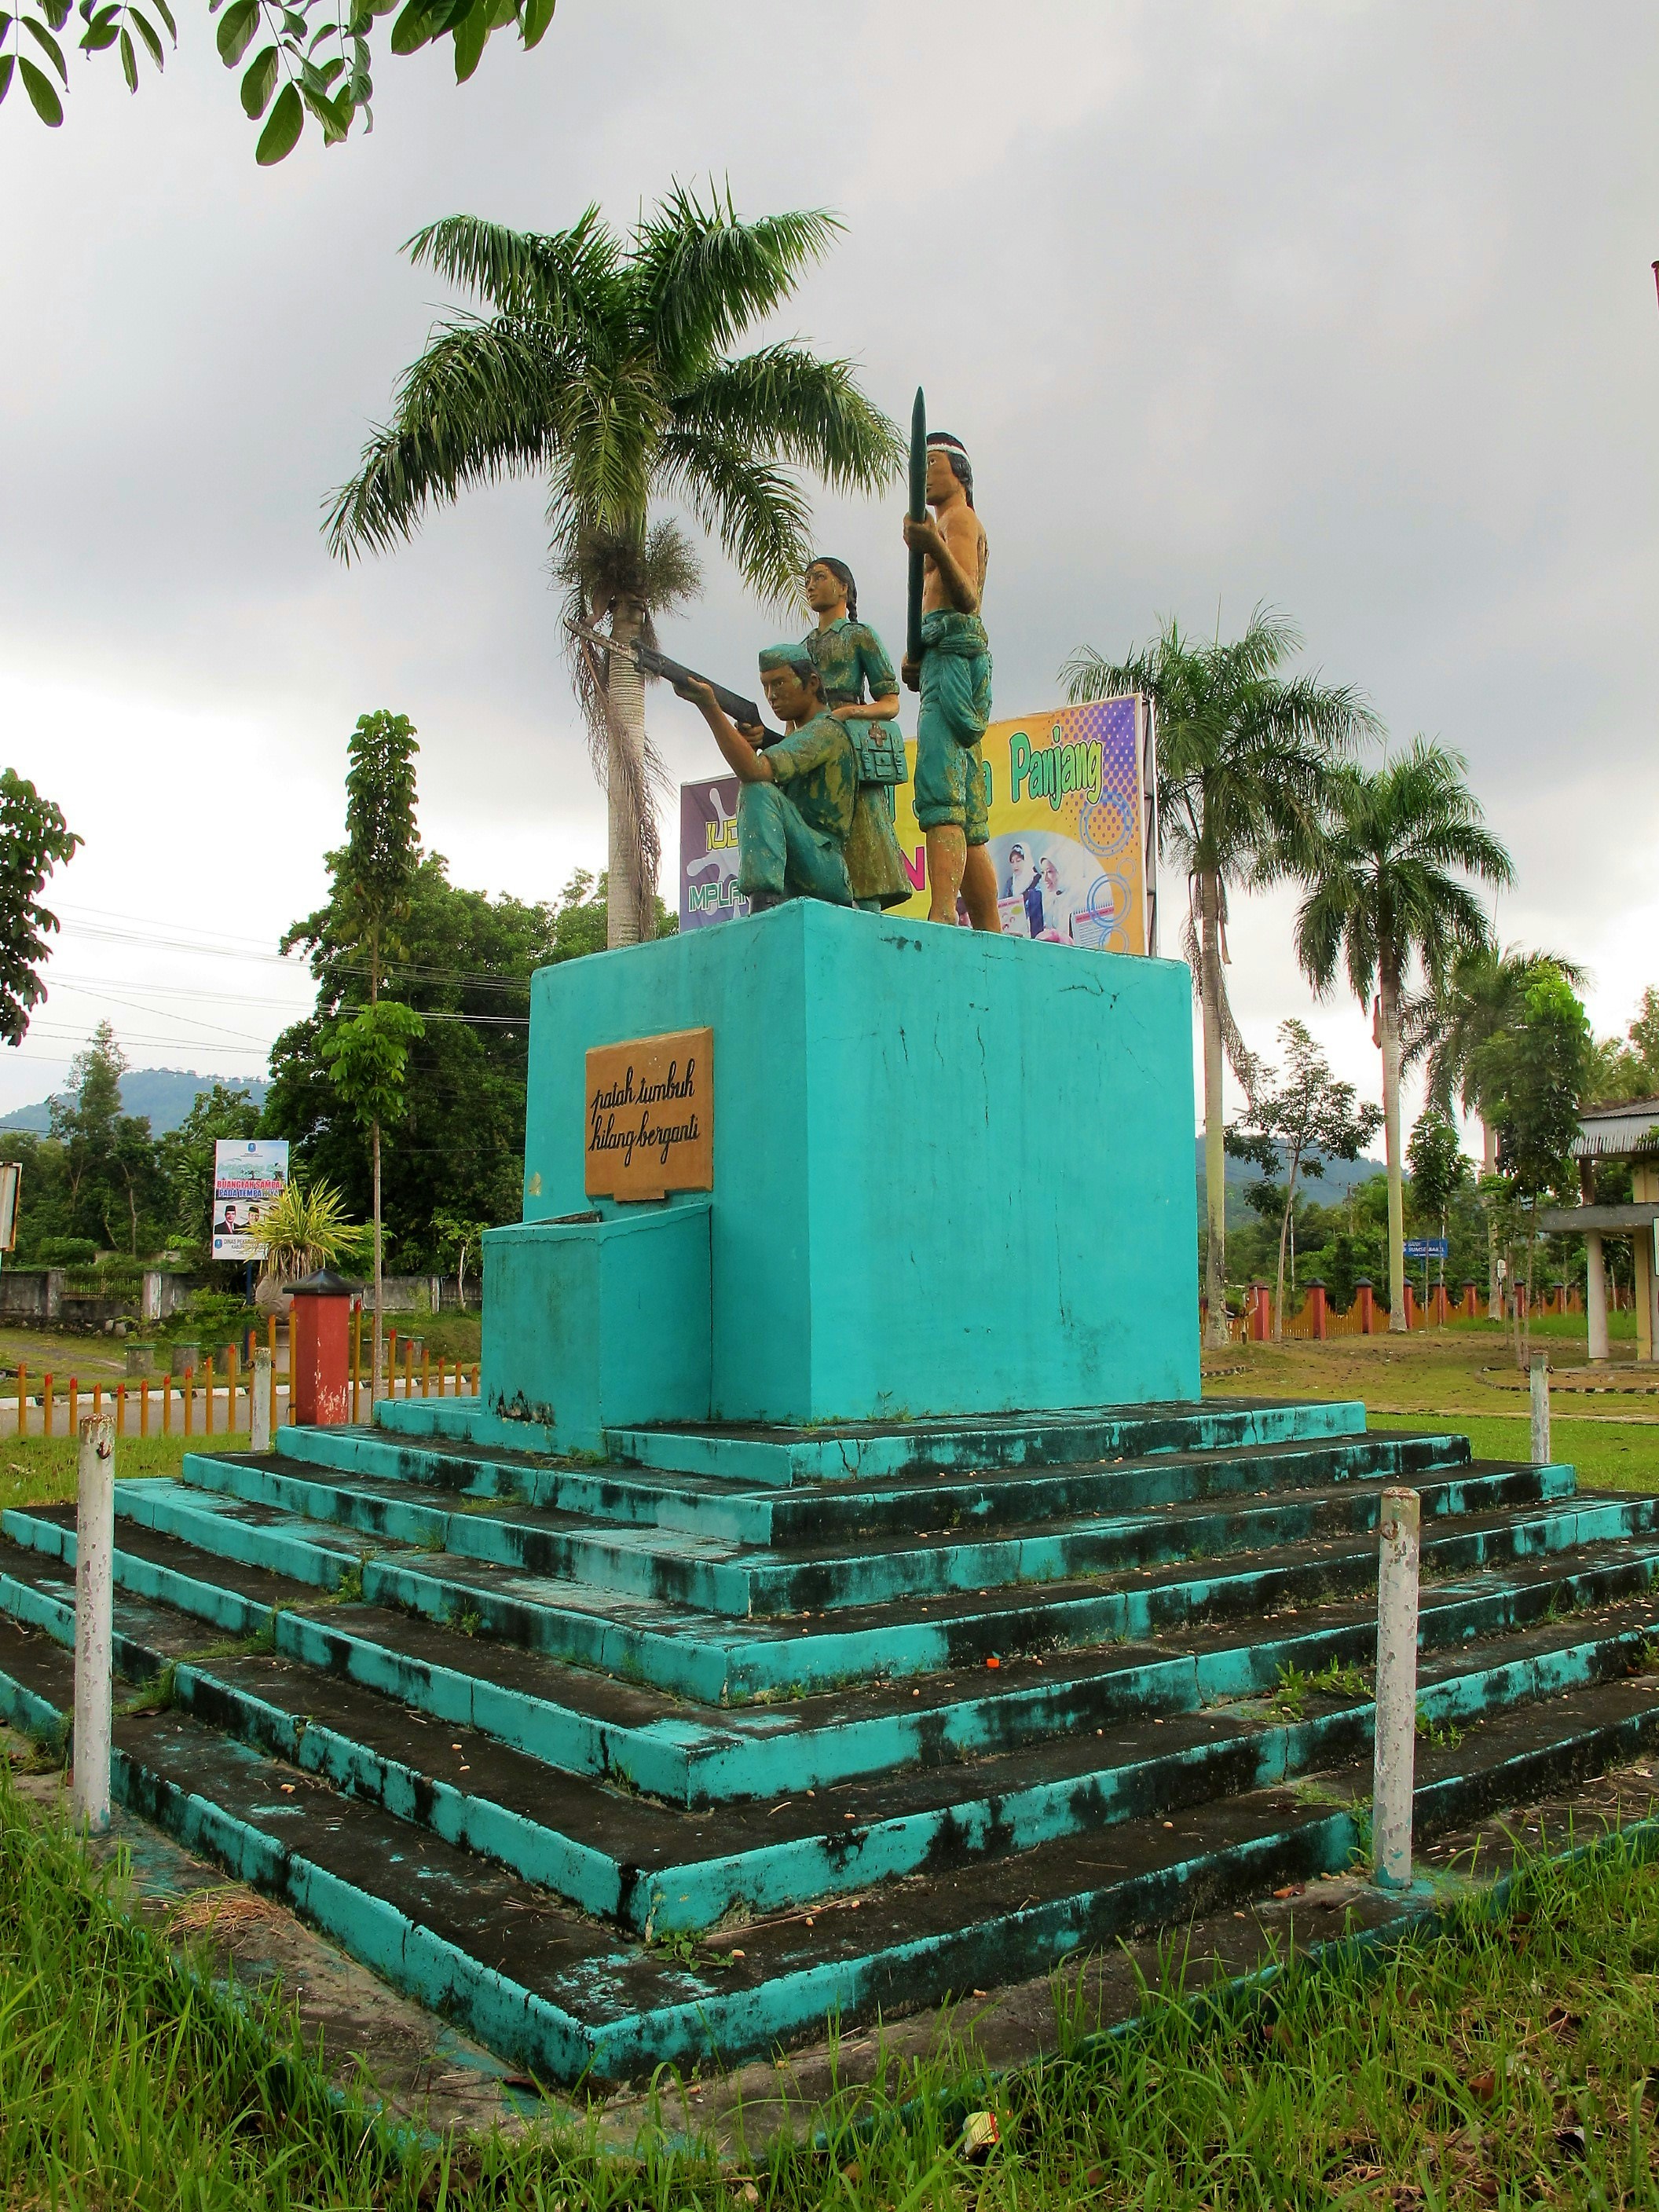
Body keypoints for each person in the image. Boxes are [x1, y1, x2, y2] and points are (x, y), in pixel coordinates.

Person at [900, 431, 999, 932]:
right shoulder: (948, 523)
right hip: (946, 657)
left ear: (957, 471)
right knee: (971, 816)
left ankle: (942, 912)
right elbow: (935, 606)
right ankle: (988, 922)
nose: (922, 473)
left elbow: (966, 598)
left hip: (957, 660)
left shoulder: (959, 520)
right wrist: (916, 654)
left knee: (942, 791)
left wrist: (932, 543)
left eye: (931, 462)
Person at [675, 645, 857, 910]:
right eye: (766, 686)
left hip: (823, 864)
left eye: (780, 682)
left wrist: (710, 707)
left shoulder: (825, 731)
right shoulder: (796, 738)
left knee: (756, 791)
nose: (772, 695)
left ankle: (764, 903)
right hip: (803, 862)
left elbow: (755, 773)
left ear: (812, 683)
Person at [800, 557, 910, 910]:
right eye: (808, 579)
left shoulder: (859, 635)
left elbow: (890, 702)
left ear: (843, 587)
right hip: (813, 744)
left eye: (820, 577)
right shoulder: (804, 647)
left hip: (851, 745)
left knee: (865, 835)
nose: (811, 585)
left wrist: (849, 712)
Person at [1005, 840, 1044, 938]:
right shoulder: (1010, 883)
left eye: (1018, 861)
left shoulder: (1038, 880)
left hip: (1036, 932)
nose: (1015, 865)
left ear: (1026, 860)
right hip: (1015, 931)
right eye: (1012, 862)